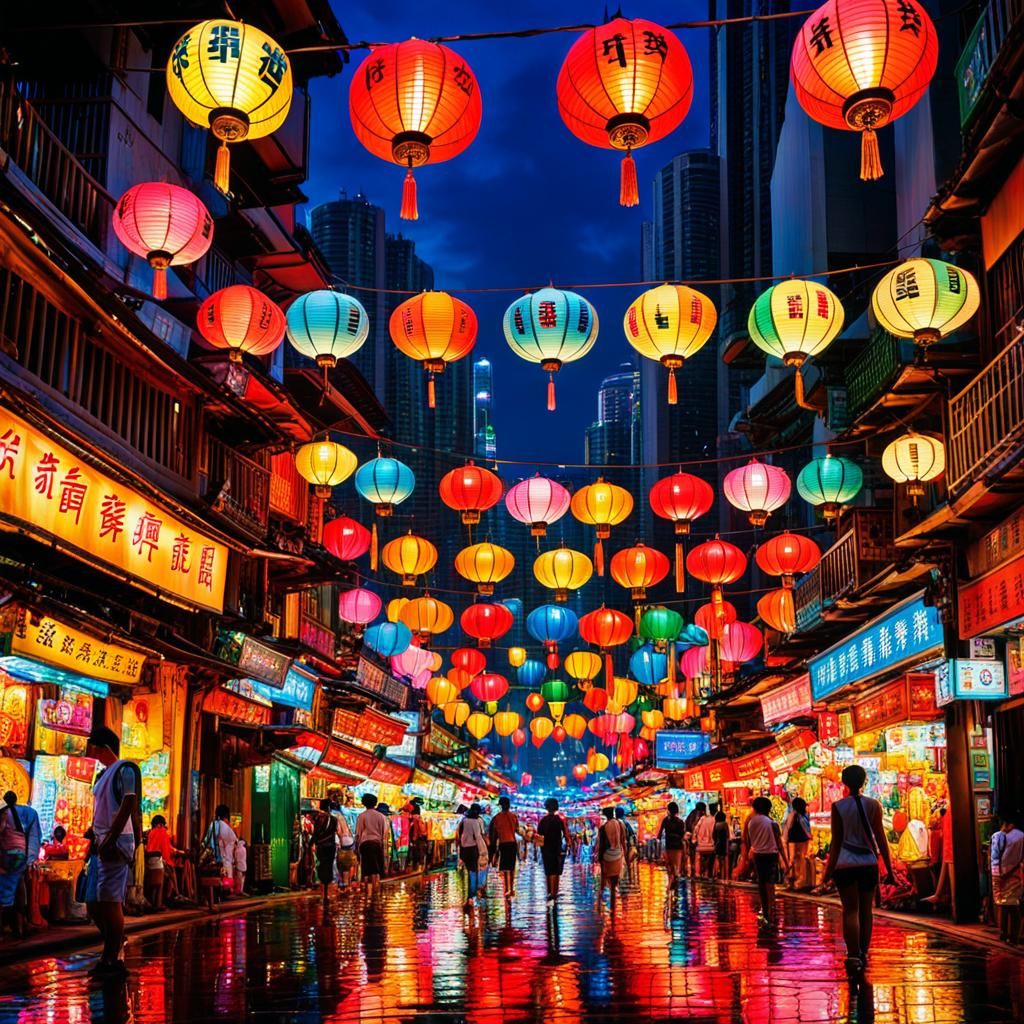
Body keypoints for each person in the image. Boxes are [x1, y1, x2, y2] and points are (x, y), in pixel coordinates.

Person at [822, 764, 895, 975]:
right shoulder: (874, 805)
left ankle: (853, 955)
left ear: (844, 783)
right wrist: (888, 869)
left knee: (850, 911)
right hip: (868, 864)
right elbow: (881, 840)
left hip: (845, 864)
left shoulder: (838, 807)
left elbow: (836, 843)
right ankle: (863, 951)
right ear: (864, 781)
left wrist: (827, 873)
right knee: (866, 911)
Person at [84, 726, 141, 976]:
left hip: (114, 842)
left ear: (102, 747)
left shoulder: (125, 768)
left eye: (92, 745)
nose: (89, 749)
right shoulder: (104, 774)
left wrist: (113, 838)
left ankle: (111, 960)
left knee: (109, 901)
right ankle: (115, 942)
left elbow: (130, 802)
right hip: (101, 840)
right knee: (94, 902)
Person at [742, 797, 789, 930]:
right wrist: (785, 861)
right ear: (768, 808)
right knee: (770, 883)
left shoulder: (751, 823)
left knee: (762, 883)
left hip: (757, 855)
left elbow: (750, 841)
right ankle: (771, 909)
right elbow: (779, 845)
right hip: (771, 855)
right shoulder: (772, 823)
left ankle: (765, 910)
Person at [0, 790, 41, 938]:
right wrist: (30, 859)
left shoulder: (4, 812)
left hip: (7, 855)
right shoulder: (29, 812)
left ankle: (6, 929)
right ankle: (19, 928)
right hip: (20, 856)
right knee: (18, 887)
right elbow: (35, 837)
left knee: (5, 891)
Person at [990, 810, 1023, 946]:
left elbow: (994, 859)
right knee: (1014, 906)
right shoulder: (1022, 836)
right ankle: (1014, 936)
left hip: (1001, 876)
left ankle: (1003, 933)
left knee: (1003, 905)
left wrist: (997, 876)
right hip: (1016, 876)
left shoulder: (997, 836)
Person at [202, 805, 237, 911]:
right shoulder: (227, 828)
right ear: (226, 815)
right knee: (220, 882)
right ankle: (217, 902)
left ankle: (211, 901)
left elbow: (206, 841)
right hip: (222, 860)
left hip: (209, 858)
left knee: (211, 881)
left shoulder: (212, 825)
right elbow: (234, 843)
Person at [537, 798, 570, 906]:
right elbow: (565, 833)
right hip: (556, 848)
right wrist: (568, 844)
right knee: (556, 871)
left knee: (548, 871)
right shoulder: (559, 820)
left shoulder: (542, 821)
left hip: (545, 849)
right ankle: (554, 893)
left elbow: (539, 837)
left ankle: (549, 892)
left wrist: (540, 848)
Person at [355, 793, 388, 898]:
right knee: (375, 867)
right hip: (376, 843)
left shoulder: (361, 816)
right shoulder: (381, 817)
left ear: (364, 803)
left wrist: (356, 847)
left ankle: (366, 890)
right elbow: (384, 834)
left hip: (364, 844)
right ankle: (375, 890)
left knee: (366, 866)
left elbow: (358, 833)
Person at [143, 815, 178, 911]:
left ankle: (158, 901)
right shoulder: (162, 832)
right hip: (159, 861)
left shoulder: (151, 833)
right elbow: (166, 851)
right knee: (171, 872)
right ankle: (169, 898)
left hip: (150, 862)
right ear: (160, 824)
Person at [489, 796, 521, 902]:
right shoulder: (514, 816)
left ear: (501, 806)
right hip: (512, 843)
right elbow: (517, 829)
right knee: (511, 867)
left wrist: (493, 848)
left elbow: (494, 834)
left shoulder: (496, 818)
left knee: (505, 867)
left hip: (503, 844)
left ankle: (507, 889)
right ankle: (511, 889)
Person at [456, 804, 487, 909]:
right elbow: (478, 837)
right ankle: (471, 896)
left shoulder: (463, 821)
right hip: (473, 849)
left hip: (464, 850)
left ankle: (469, 896)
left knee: (468, 873)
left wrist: (460, 853)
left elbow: (459, 837)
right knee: (473, 873)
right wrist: (483, 851)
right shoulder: (476, 822)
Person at [597, 806, 627, 912]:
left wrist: (599, 859)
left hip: (607, 856)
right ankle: (613, 908)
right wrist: (626, 856)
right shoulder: (620, 824)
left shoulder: (603, 828)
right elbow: (624, 841)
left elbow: (601, 846)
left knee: (603, 882)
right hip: (618, 855)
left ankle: (598, 905)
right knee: (614, 885)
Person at [923, 805, 953, 907]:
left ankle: (942, 896)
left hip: (945, 842)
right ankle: (939, 894)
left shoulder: (948, 809)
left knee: (943, 864)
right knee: (942, 864)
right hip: (944, 842)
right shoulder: (947, 809)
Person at [311, 799, 338, 905]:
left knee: (322, 866)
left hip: (321, 846)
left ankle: (323, 892)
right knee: (329, 866)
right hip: (331, 846)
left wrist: (311, 844)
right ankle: (327, 891)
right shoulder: (334, 819)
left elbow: (316, 833)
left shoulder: (319, 818)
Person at [783, 797, 812, 891]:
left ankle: (794, 881)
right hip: (801, 840)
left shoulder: (792, 815)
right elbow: (806, 828)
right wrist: (809, 836)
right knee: (800, 859)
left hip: (793, 840)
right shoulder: (802, 816)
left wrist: (785, 839)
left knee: (794, 860)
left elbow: (787, 828)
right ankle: (799, 881)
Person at [657, 802, 686, 890]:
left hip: (669, 846)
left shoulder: (666, 820)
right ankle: (674, 883)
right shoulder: (680, 822)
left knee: (669, 866)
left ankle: (670, 882)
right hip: (678, 847)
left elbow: (659, 834)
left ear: (669, 810)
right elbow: (682, 835)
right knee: (676, 867)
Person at [684, 802, 707, 876]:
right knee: (698, 855)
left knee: (693, 855)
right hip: (697, 839)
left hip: (692, 839)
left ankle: (694, 870)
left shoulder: (691, 815)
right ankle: (698, 871)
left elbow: (687, 826)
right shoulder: (698, 815)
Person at [694, 807, 717, 877]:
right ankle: (710, 874)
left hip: (701, 845)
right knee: (712, 858)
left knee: (699, 858)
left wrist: (695, 839)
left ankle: (698, 874)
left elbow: (696, 829)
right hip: (711, 846)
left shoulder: (703, 819)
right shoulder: (715, 820)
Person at [336, 812, 357, 890]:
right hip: (350, 843)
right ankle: (349, 883)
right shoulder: (345, 820)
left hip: (344, 844)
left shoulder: (338, 819)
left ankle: (345, 884)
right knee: (349, 865)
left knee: (344, 866)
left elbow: (339, 832)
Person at [614, 807, 636, 877]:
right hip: (625, 846)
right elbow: (632, 835)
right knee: (626, 863)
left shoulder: (613, 823)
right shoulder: (626, 823)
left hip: (615, 846)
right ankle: (626, 877)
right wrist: (633, 845)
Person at [408, 803, 429, 872]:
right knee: (420, 853)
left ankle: (416, 868)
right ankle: (420, 869)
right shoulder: (421, 819)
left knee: (415, 853)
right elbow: (423, 830)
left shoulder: (413, 818)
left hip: (415, 838)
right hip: (420, 838)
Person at [712, 811, 730, 880]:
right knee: (723, 862)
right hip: (723, 844)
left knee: (717, 859)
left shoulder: (716, 824)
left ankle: (716, 875)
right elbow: (727, 836)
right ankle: (723, 877)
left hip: (717, 844)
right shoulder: (725, 824)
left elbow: (713, 835)